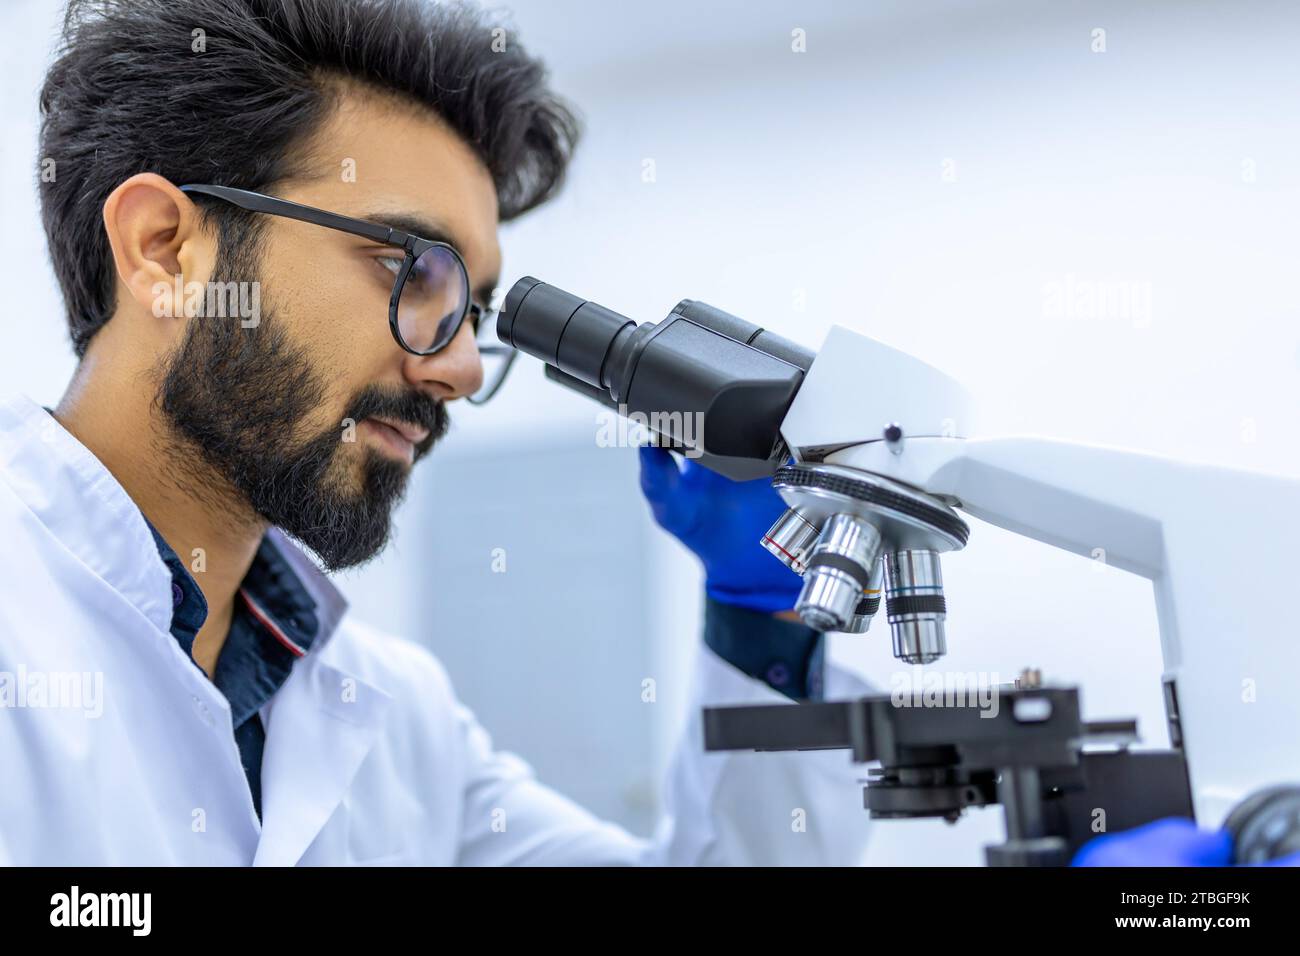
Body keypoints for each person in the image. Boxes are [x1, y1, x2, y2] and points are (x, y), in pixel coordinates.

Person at [0, 0, 873, 866]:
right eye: (408, 267)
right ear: (163, 250)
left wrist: (761, 626)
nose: (458, 369)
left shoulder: (399, 719)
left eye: (473, 310)